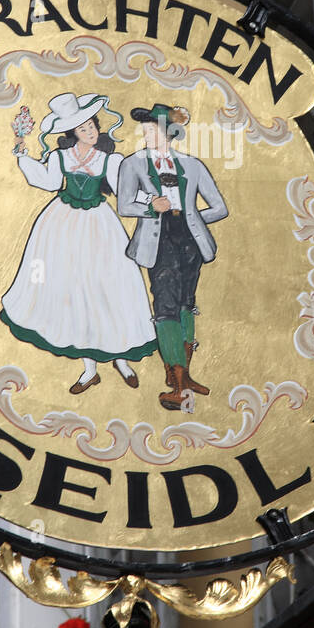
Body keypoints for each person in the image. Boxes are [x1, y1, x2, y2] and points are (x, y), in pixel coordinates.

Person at [0, 91, 157, 393]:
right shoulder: (60, 157)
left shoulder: (109, 159)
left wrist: (151, 200)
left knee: (111, 288)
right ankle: (89, 368)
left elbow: (126, 189)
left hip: (99, 226)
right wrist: (22, 152)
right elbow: (45, 181)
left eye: (92, 126)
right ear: (72, 133)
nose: (90, 131)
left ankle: (122, 359)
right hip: (62, 226)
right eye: (83, 128)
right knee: (75, 291)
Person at [117, 103, 227, 411]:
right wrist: (153, 206)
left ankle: (184, 374)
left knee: (186, 303)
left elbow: (220, 207)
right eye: (145, 129)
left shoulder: (191, 165)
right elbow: (124, 204)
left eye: (153, 129)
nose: (146, 134)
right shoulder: (134, 164)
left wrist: (192, 218)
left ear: (170, 133)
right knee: (165, 304)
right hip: (158, 238)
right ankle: (177, 386)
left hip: (190, 239)